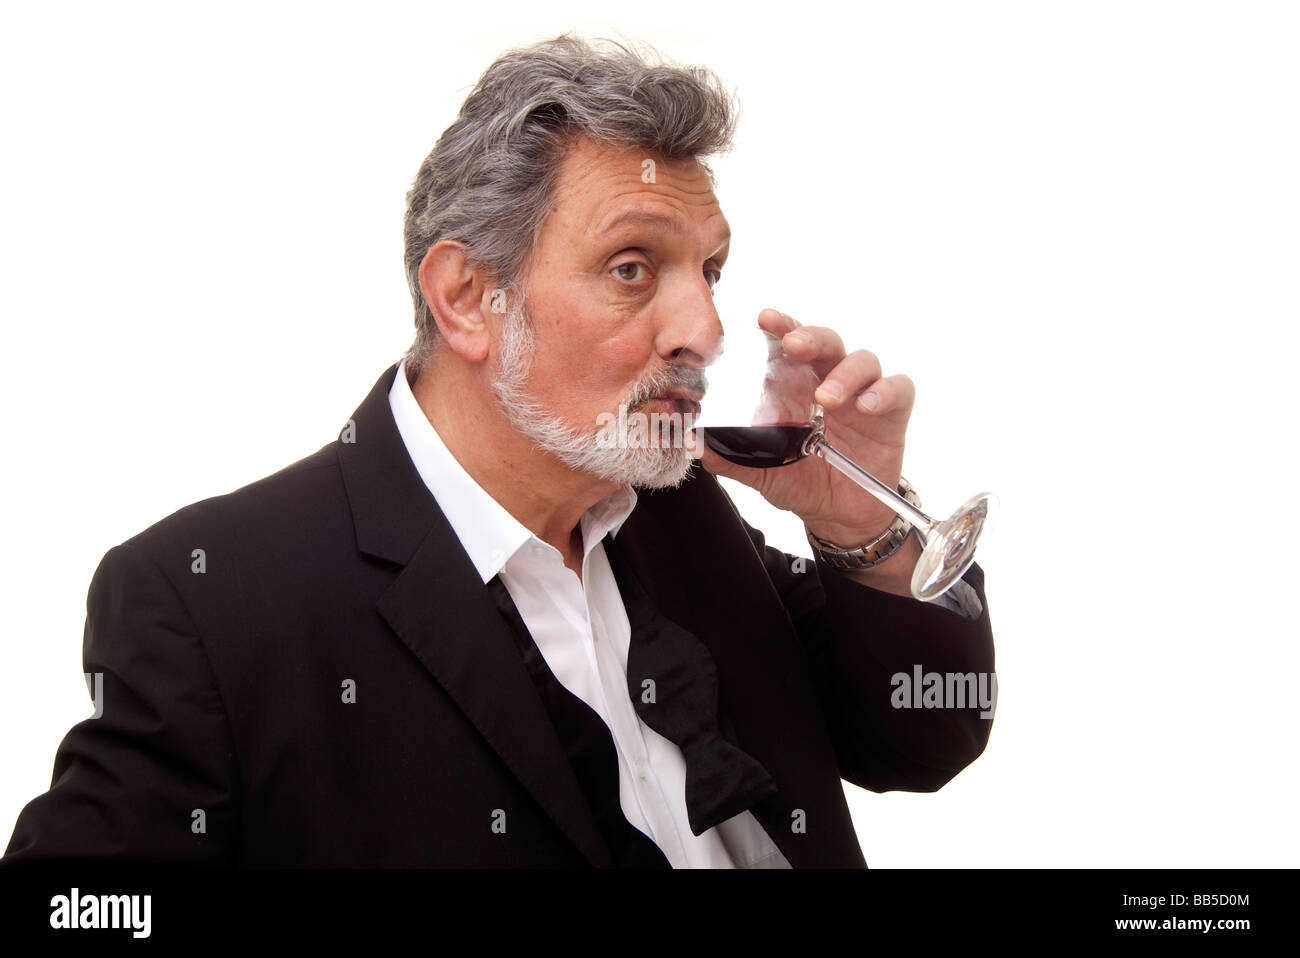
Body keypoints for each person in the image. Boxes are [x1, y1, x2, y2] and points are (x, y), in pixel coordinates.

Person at [3, 34, 994, 868]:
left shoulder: (680, 509)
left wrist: (854, 517)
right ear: (469, 299)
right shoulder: (208, 601)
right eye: (631, 267)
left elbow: (923, 737)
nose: (704, 325)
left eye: (709, 270)